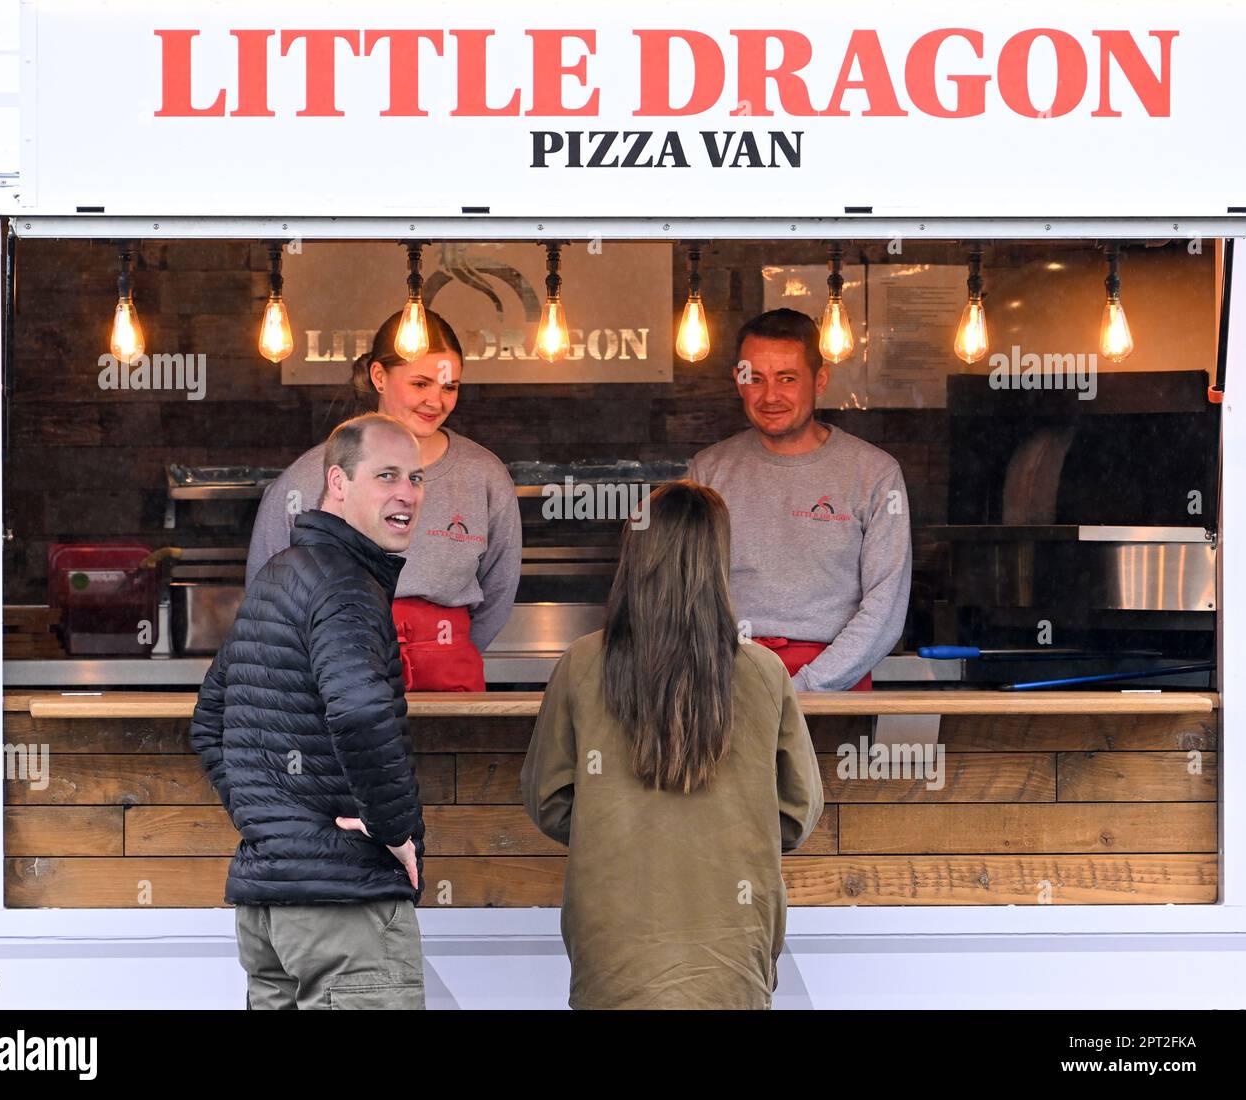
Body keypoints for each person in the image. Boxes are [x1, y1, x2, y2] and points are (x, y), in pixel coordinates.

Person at [521, 481, 823, 1010]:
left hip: (614, 955)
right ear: (718, 559)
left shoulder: (582, 663)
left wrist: (612, 829)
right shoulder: (763, 672)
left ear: (635, 554)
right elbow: (796, 813)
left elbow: (548, 800)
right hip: (731, 953)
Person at [191, 413, 427, 1010]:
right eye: (387, 476)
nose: (407, 493)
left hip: (270, 912)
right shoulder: (346, 585)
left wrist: (271, 819)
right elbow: (360, 711)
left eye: (417, 477)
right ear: (338, 484)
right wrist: (393, 829)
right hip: (342, 912)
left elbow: (208, 721)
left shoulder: (280, 575)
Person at [247, 308, 522, 691]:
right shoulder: (310, 476)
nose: (435, 401)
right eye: (421, 383)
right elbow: (266, 591)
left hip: (448, 683)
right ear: (379, 376)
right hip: (332, 684)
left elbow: (499, 591)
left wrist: (439, 650)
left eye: (449, 387)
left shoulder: (483, 475)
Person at [687, 308, 912, 691]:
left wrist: (808, 687)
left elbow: (885, 607)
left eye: (787, 378)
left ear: (820, 380)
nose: (770, 395)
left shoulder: (875, 474)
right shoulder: (707, 473)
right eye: (754, 379)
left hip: (835, 686)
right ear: (738, 381)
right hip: (725, 685)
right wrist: (720, 682)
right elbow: (683, 593)